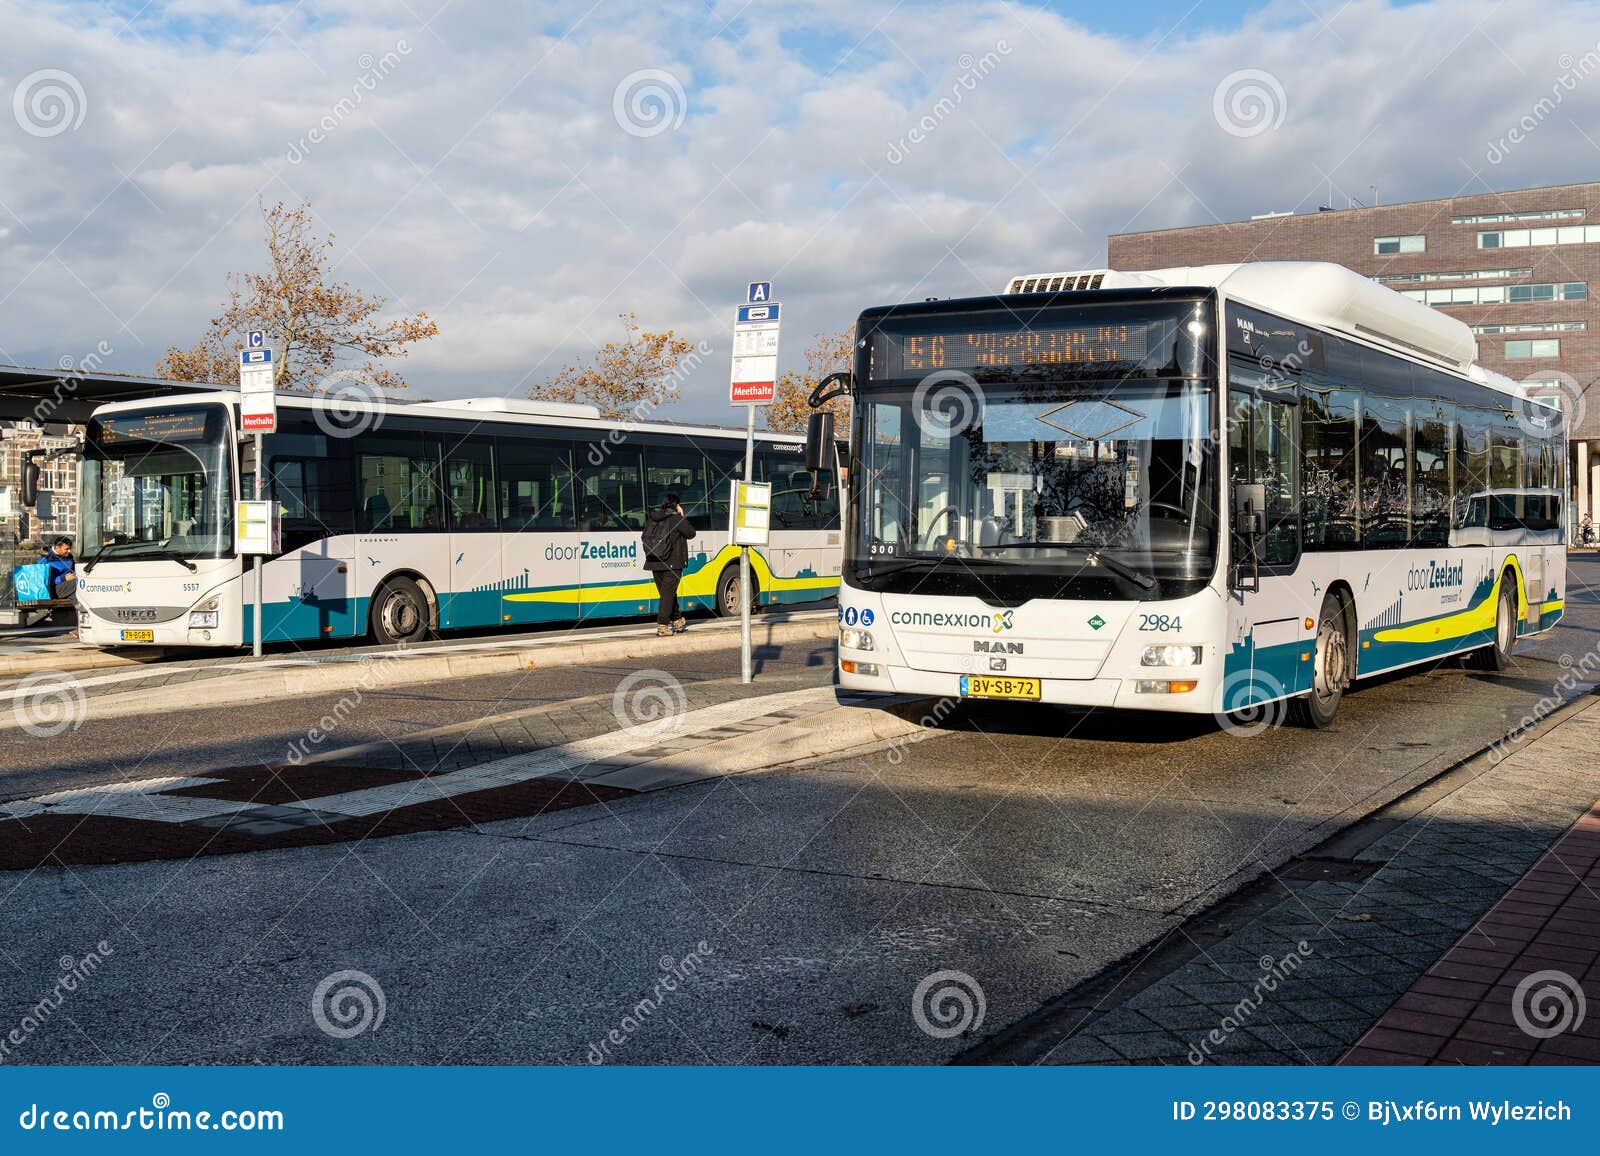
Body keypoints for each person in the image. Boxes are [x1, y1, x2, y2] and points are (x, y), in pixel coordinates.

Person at [641, 494, 695, 636]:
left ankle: (677, 620)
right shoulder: (676, 519)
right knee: (667, 594)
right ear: (676, 505)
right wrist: (681, 515)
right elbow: (691, 533)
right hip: (672, 562)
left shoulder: (653, 518)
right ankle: (662, 625)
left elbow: (644, 536)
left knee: (668, 593)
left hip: (654, 561)